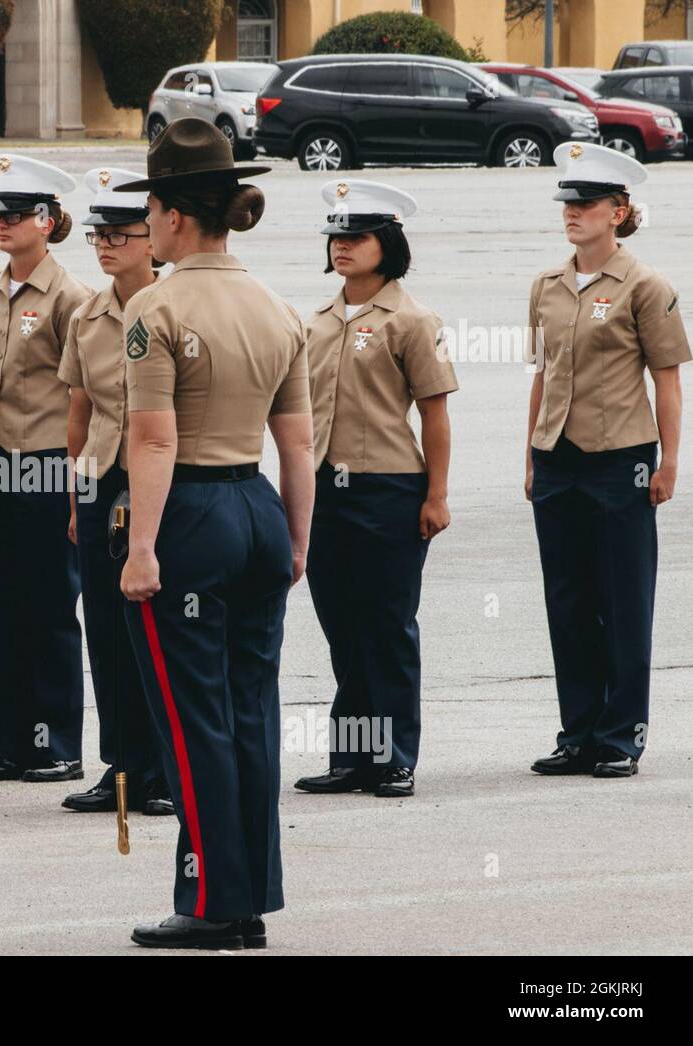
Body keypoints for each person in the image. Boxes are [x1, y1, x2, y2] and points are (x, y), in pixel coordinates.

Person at [114, 118, 315, 950]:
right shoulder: (279, 308)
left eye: (150, 210)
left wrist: (139, 547)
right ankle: (249, 898)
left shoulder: (152, 308)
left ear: (170, 215)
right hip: (258, 508)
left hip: (189, 515)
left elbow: (154, 441)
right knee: (250, 714)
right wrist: (297, 542)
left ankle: (208, 903)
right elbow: (298, 442)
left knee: (196, 721)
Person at [527, 143, 689, 779]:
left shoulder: (646, 286)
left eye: (586, 203)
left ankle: (622, 734)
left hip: (620, 458)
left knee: (622, 601)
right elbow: (542, 376)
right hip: (558, 459)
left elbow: (667, 380)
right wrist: (532, 456)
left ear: (620, 211)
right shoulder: (547, 286)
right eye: (567, 201)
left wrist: (669, 462)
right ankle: (580, 732)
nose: (572, 212)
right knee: (567, 601)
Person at [294, 180, 457, 800]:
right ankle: (352, 757)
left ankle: (393, 760)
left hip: (389, 489)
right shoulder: (317, 322)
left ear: (386, 245)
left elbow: (434, 415)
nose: (342, 247)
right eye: (336, 237)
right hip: (326, 493)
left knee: (386, 627)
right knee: (343, 628)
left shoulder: (412, 320)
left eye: (356, 237)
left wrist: (436, 495)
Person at [0, 154, 93, 784]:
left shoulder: (73, 299)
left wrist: (75, 483)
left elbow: (84, 398)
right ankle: (14, 743)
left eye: (15, 216)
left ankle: (57, 744)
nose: (3, 225)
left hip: (44, 462)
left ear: (46, 221)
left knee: (46, 606)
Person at [57, 166, 170, 817]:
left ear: (153, 238)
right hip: (103, 486)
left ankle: (161, 767)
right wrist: (78, 496)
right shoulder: (89, 315)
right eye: (99, 235)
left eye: (120, 235)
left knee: (150, 631)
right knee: (103, 626)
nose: (105, 246)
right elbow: (79, 414)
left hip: (157, 488)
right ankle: (123, 768)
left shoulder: (176, 309)